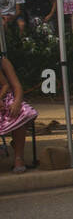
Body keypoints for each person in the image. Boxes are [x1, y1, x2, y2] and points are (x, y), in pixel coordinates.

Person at [0, 25, 37, 172]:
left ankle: (18, 157)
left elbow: (15, 86)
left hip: (6, 99)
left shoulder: (3, 61)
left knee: (19, 113)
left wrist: (16, 102)